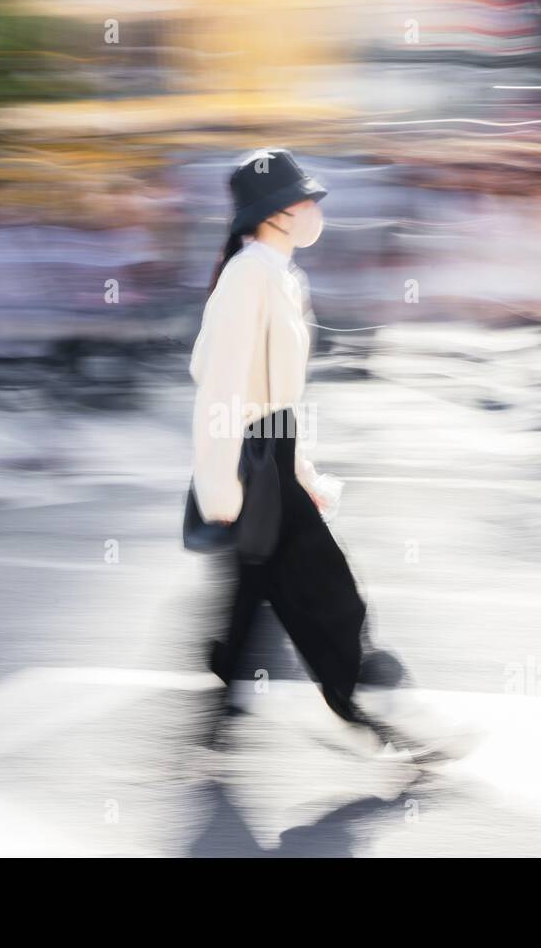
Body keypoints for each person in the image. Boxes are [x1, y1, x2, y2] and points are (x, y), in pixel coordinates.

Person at [189, 149, 472, 762]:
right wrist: (221, 487)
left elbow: (279, 398)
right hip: (251, 462)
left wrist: (300, 468)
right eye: (304, 200)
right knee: (332, 595)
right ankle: (383, 710)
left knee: (257, 590)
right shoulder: (249, 277)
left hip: (272, 455)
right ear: (276, 213)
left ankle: (227, 697)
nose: (315, 210)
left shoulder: (282, 275)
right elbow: (222, 388)